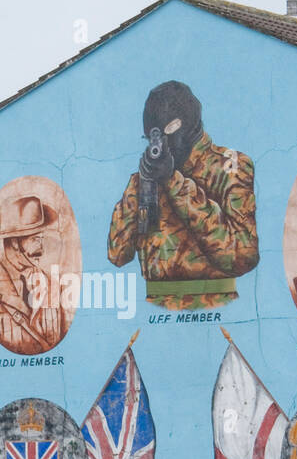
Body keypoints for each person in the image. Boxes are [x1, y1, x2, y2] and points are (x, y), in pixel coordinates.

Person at [107, 81, 258, 310]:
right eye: (151, 139)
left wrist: (174, 182)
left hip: (215, 304)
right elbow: (117, 254)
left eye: (165, 134)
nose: (158, 145)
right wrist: (140, 187)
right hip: (157, 309)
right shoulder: (145, 179)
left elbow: (241, 255)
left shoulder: (229, 166)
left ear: (185, 126)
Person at [0, 194, 66, 354]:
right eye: (35, 239)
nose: (42, 248)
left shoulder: (52, 285)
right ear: (14, 242)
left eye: (42, 239)